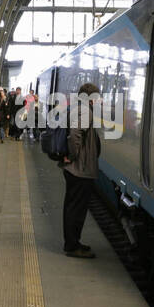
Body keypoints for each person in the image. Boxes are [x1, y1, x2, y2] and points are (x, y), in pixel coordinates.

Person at [61, 82, 101, 258]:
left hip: (77, 168)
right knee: (76, 209)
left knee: (73, 207)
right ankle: (72, 246)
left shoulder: (80, 109)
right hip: (80, 169)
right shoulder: (85, 111)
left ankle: (73, 243)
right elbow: (76, 133)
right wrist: (73, 155)